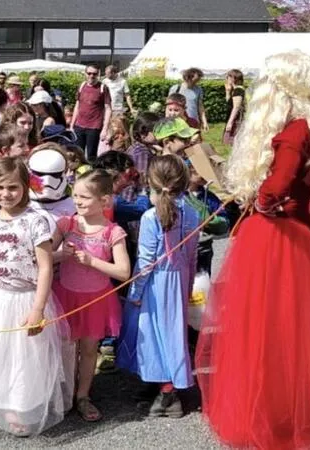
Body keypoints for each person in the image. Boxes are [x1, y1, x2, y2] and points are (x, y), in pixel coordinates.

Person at [195, 50, 310, 449]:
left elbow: (278, 184)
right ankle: (289, 402)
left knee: (268, 326)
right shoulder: (304, 126)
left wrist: (261, 200)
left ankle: (273, 409)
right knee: (287, 326)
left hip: (278, 236)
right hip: (291, 233)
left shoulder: (293, 131)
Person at [0, 158, 71, 438]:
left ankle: (15, 406)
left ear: (25, 187)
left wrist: (38, 308)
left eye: (13, 187)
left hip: (25, 297)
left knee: (22, 356)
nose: (6, 194)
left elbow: (44, 267)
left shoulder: (36, 221)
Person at [117, 154, 200, 418]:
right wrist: (187, 288)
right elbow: (192, 255)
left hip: (155, 285)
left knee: (153, 335)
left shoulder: (150, 217)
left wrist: (135, 292)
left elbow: (146, 260)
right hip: (177, 281)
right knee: (173, 335)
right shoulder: (193, 212)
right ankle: (160, 383)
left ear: (150, 184)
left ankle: (168, 394)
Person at [50, 170, 131, 423]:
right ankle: (63, 393)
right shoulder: (66, 224)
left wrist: (92, 261)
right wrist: (61, 254)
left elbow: (123, 272)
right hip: (66, 295)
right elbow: (42, 258)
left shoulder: (112, 232)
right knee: (64, 347)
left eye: (85, 197)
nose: (78, 202)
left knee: (88, 349)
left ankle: (83, 395)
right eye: (75, 196)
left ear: (104, 200)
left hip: (95, 300)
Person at [70, 65, 112, 162]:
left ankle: (91, 175)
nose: (91, 76)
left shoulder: (103, 88)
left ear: (98, 74)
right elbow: (77, 105)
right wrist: (72, 124)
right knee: (78, 154)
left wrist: (105, 129)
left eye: (94, 74)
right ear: (85, 74)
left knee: (91, 155)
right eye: (89, 73)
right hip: (79, 125)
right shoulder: (82, 86)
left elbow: (108, 108)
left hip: (94, 127)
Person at [223, 69, 246, 145]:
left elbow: (236, 107)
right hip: (234, 119)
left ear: (233, 78)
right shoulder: (235, 90)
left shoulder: (238, 90)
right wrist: (228, 91)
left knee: (235, 142)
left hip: (236, 121)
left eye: (228, 77)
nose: (226, 79)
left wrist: (230, 122)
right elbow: (229, 103)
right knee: (232, 143)